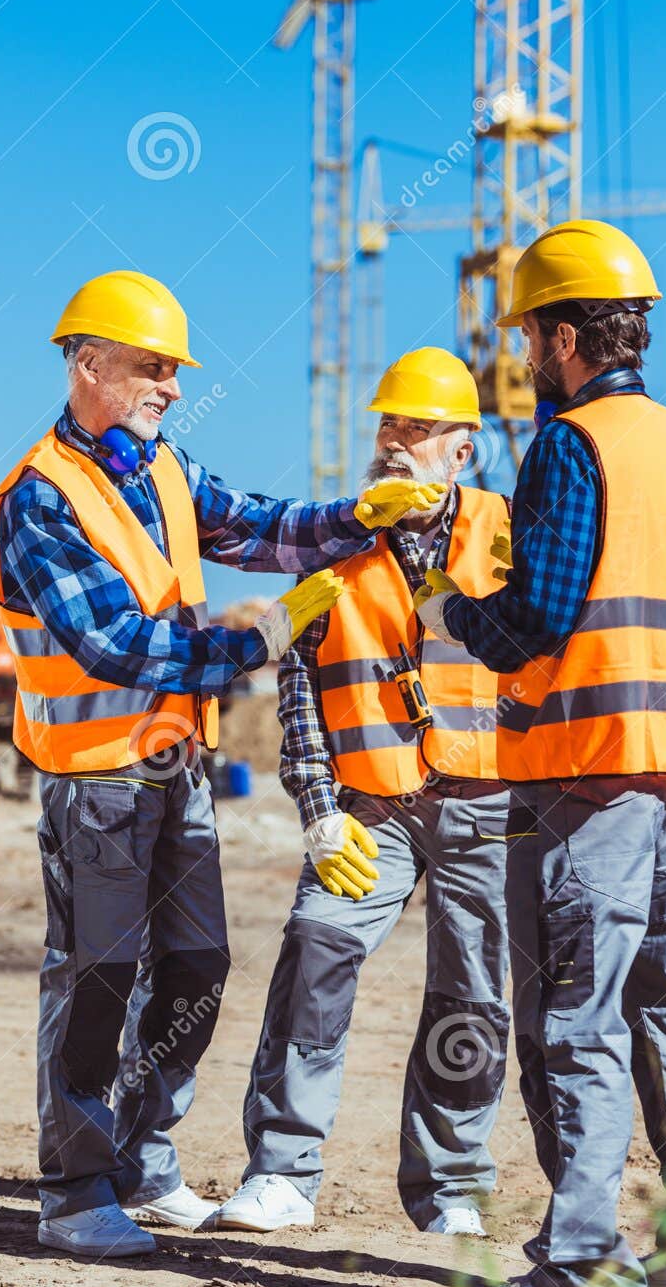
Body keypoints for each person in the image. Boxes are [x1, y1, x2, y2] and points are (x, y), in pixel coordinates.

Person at [0, 270, 441, 1260]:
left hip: (177, 773)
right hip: (96, 780)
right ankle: (75, 1187)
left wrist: (362, 512)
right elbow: (118, 647)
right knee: (95, 978)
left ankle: (143, 1163)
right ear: (87, 363)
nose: (174, 386)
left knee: (196, 965)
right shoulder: (37, 502)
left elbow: (264, 525)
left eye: (176, 370)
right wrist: (264, 637)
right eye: (154, 367)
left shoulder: (164, 471)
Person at [417, 222, 666, 1287]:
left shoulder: (570, 445)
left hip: (582, 779)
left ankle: (578, 1279)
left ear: (563, 337)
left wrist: (452, 615)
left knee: (579, 1021)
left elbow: (539, 615)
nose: (521, 358)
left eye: (527, 337)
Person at [211, 349, 513, 1237]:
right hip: (369, 808)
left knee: (474, 995)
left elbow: (541, 663)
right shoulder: (333, 542)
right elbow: (300, 690)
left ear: (464, 450)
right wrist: (317, 812)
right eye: (387, 426)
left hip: (486, 807)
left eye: (417, 429)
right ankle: (282, 1173)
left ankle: (452, 1184)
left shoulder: (509, 534)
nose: (393, 444)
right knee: (316, 953)